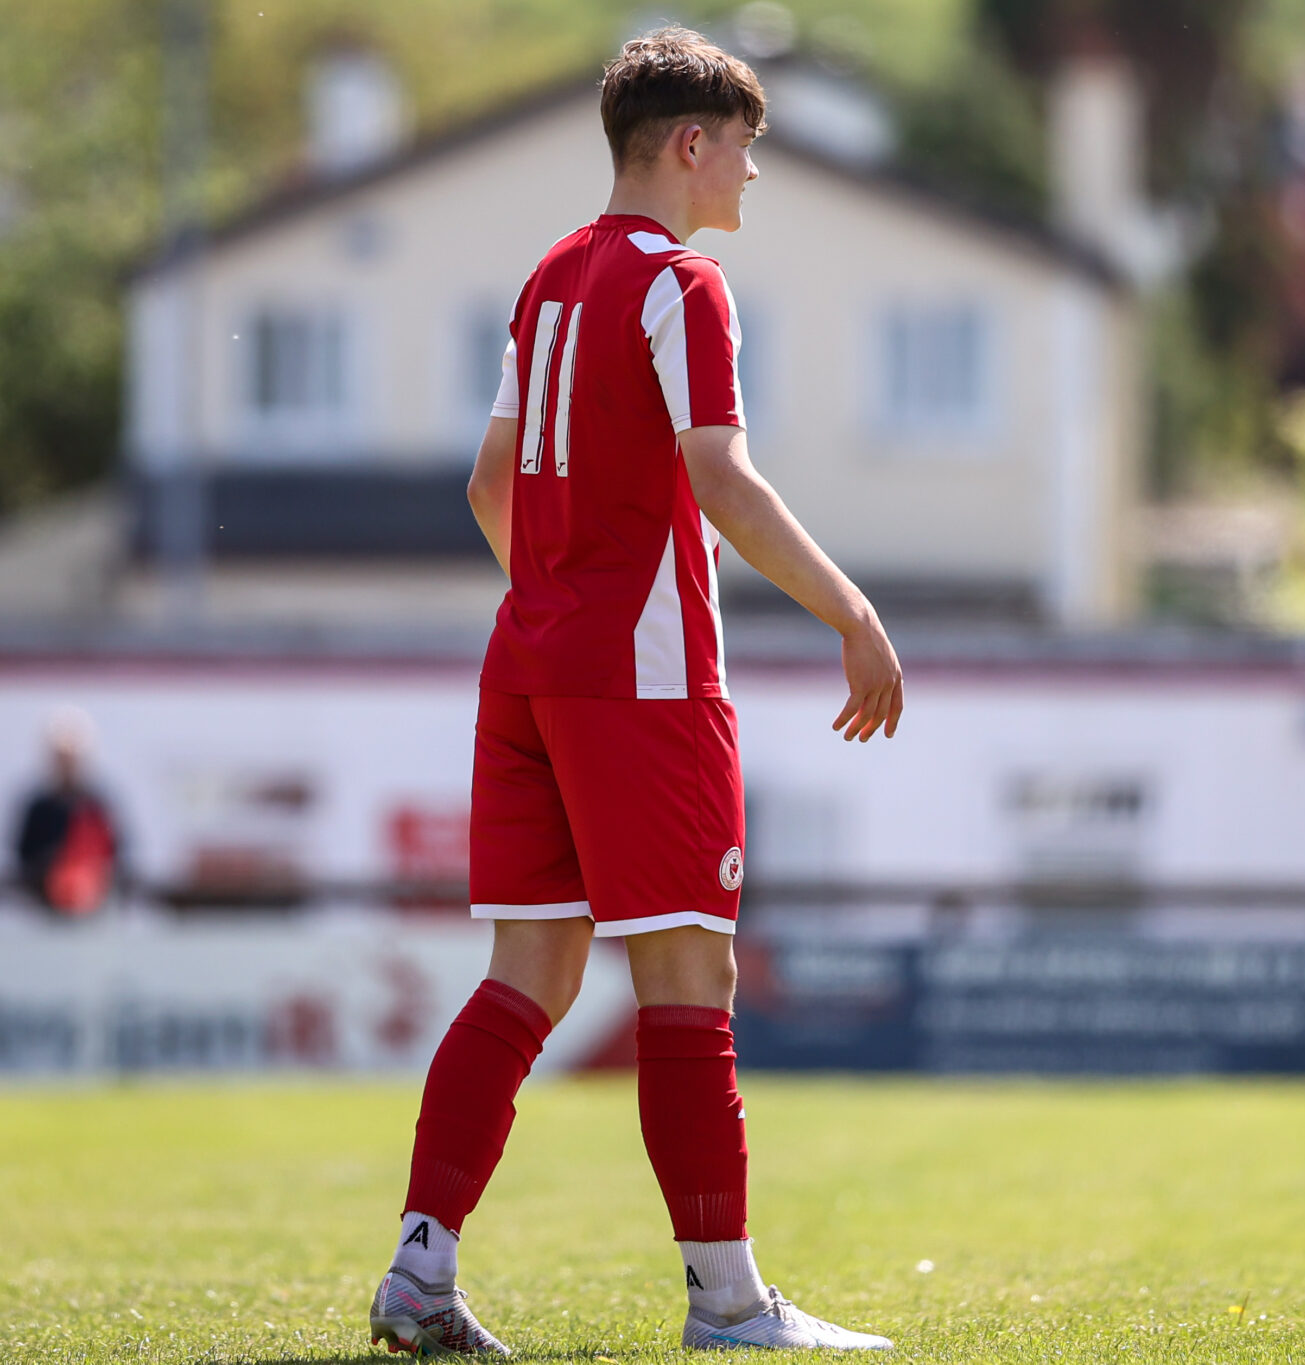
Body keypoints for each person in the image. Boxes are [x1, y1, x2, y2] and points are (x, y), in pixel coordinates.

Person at [368, 29, 903, 1355]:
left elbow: (490, 490)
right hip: (641, 679)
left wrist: (559, 593)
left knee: (528, 974)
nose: (751, 179)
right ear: (690, 143)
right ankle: (728, 1304)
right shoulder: (685, 286)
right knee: (690, 972)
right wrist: (854, 610)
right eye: (745, 150)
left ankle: (419, 1272)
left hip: (529, 662)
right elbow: (719, 477)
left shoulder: (551, 279)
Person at [14, 706, 119, 916]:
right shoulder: (39, 806)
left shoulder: (95, 804)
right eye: (61, 758)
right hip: (45, 906)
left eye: (70, 758)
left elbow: (114, 852)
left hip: (91, 905)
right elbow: (24, 854)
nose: (66, 764)